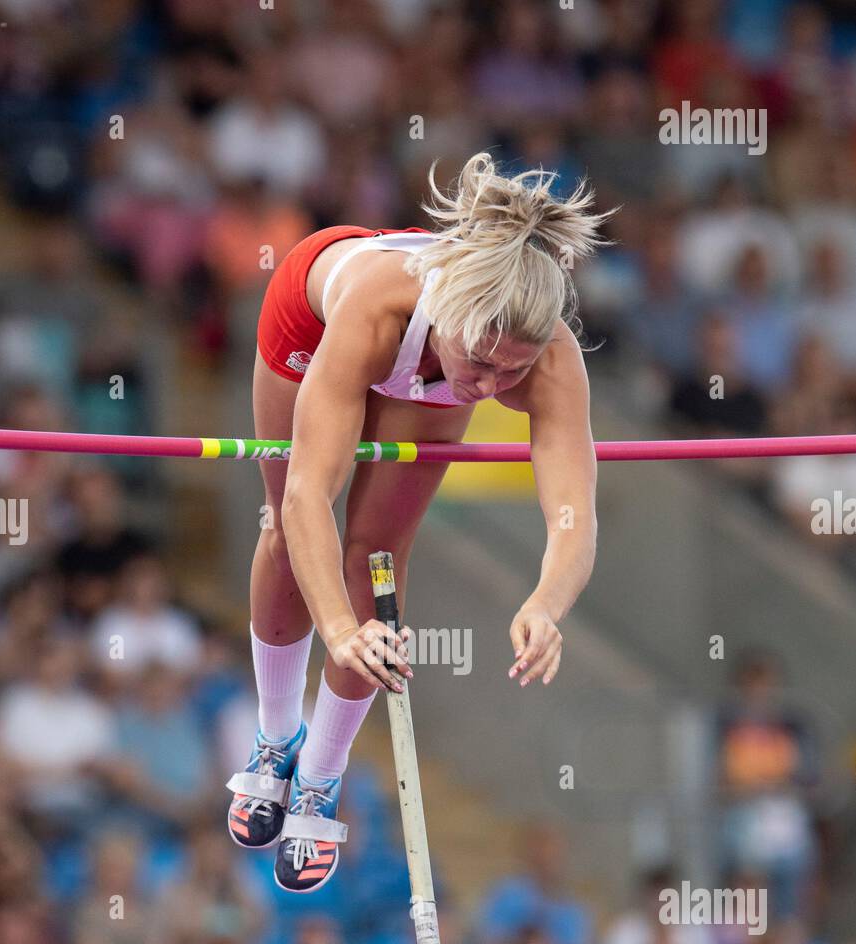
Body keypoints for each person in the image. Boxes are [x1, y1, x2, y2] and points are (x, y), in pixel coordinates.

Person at [227, 151, 606, 893]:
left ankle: (321, 775)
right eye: (484, 363)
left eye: (510, 374)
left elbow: (573, 512)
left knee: (377, 555)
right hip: (314, 315)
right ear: (456, 314)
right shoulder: (380, 308)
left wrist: (546, 603)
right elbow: (309, 495)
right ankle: (275, 738)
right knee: (283, 526)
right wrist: (338, 631)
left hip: (424, 357)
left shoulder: (547, 359)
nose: (492, 386)